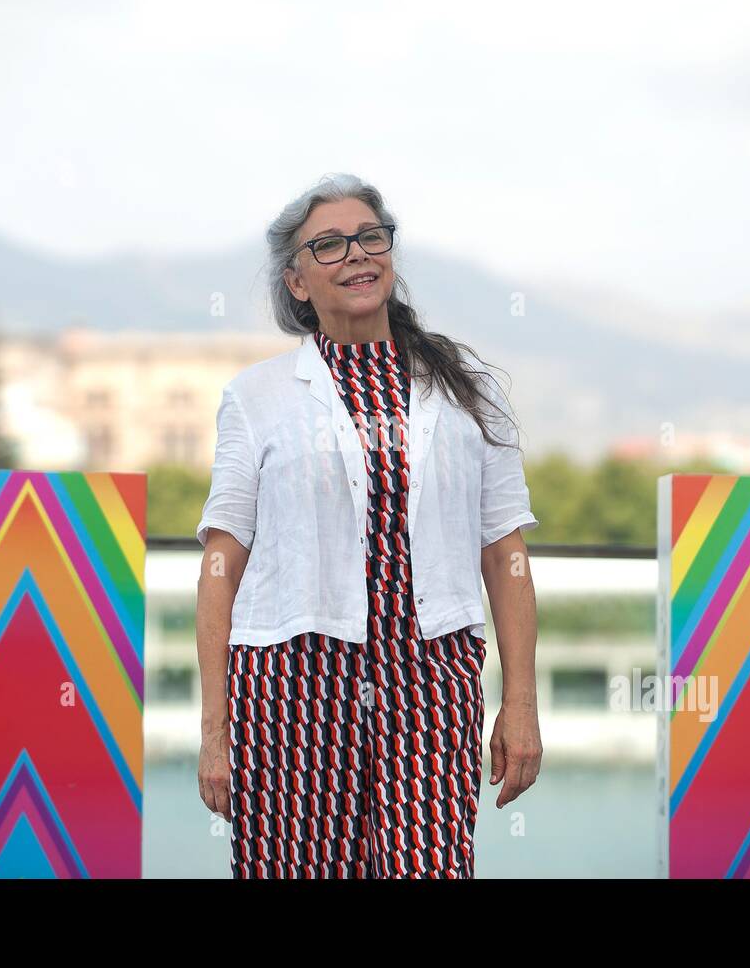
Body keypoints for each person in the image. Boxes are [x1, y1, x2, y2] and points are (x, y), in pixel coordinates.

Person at [195, 173, 541, 878]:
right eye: (328, 245)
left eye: (369, 236)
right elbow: (220, 567)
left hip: (430, 688)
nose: (356, 253)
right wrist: (214, 734)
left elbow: (506, 553)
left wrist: (521, 705)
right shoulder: (256, 398)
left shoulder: (466, 388)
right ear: (296, 282)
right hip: (288, 694)